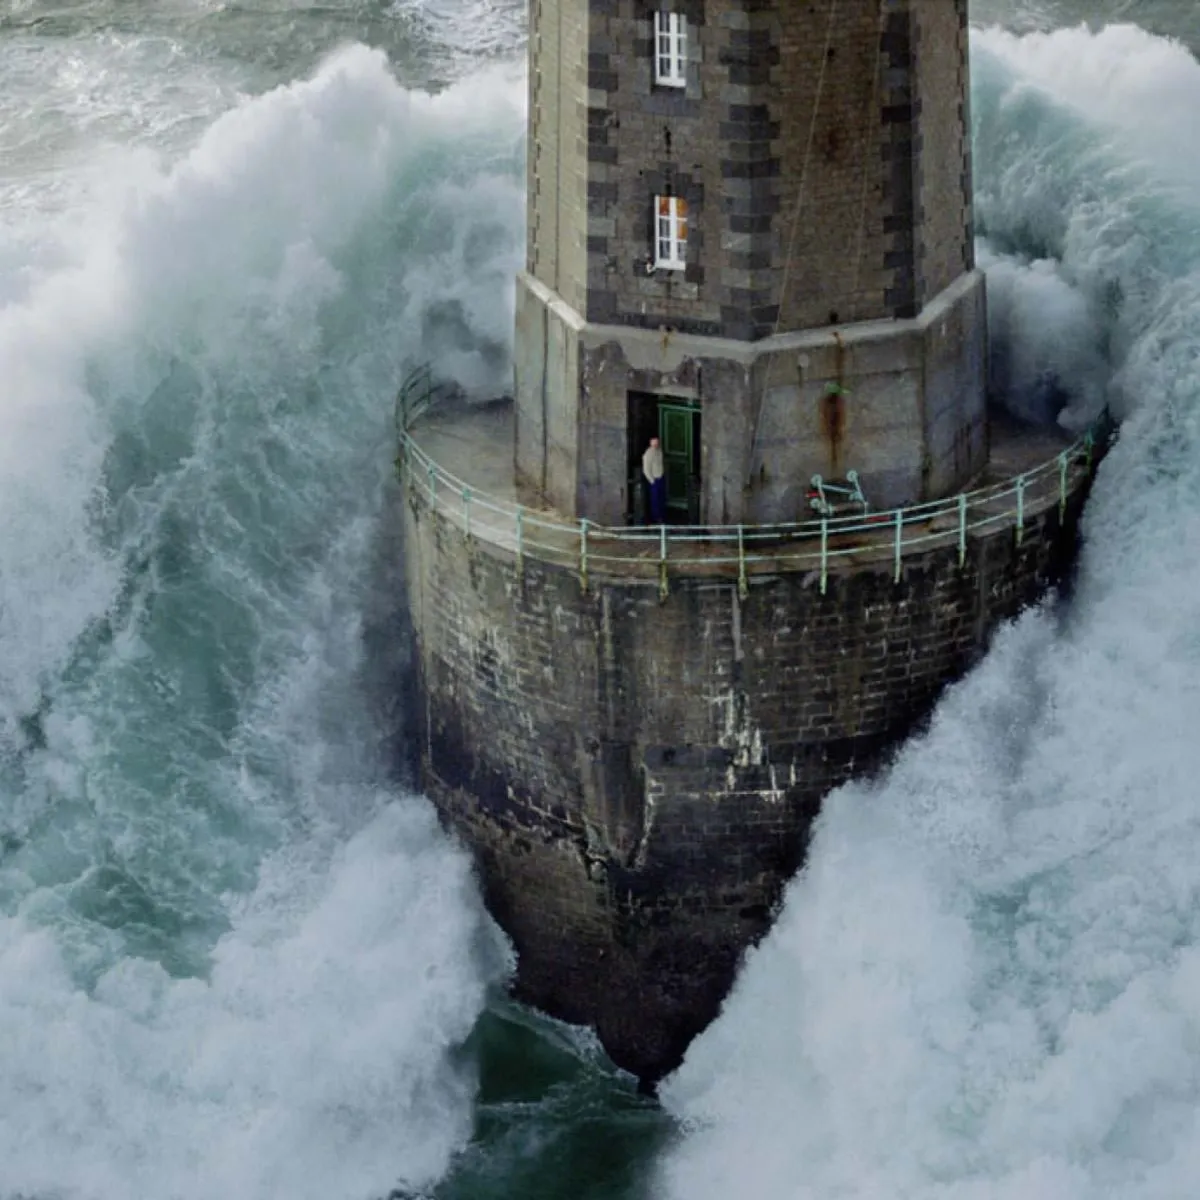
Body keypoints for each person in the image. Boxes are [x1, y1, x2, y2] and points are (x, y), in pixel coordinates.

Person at [643, 435, 666, 525]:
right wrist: (652, 480)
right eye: (654, 442)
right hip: (655, 479)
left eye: (657, 442)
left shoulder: (659, 451)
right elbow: (646, 469)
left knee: (661, 498)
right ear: (651, 443)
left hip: (660, 477)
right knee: (655, 500)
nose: (656, 444)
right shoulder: (648, 454)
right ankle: (656, 517)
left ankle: (661, 515)